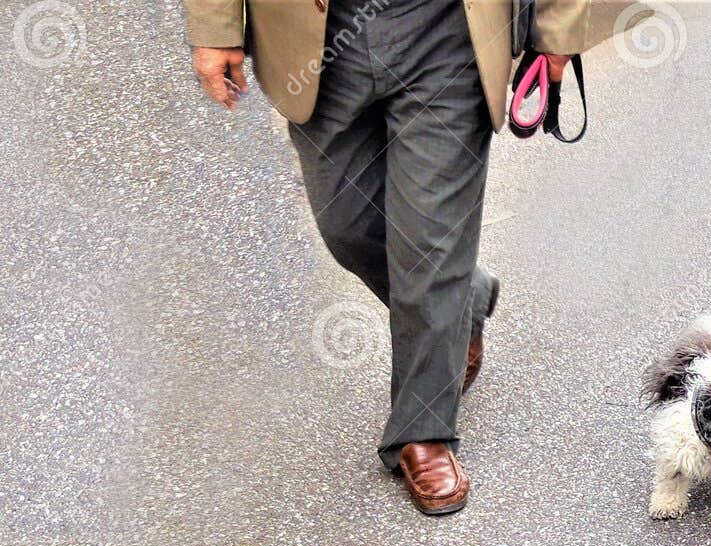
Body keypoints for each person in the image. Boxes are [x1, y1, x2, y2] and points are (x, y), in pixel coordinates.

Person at [185, 0, 600, 515]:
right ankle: (462, 297)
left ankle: (423, 432)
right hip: (320, 36)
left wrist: (557, 28)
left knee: (430, 247)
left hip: (449, 34)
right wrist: (215, 27)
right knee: (346, 226)